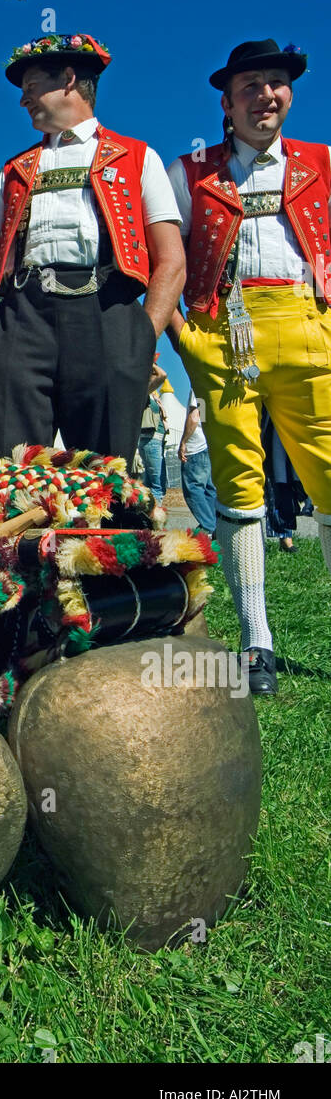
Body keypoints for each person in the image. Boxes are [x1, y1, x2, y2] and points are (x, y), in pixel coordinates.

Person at [167, 38, 331, 695]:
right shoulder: (189, 172)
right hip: (222, 330)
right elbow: (162, 260)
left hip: (305, 323)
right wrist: (186, 339)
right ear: (226, 103)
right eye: (250, 87)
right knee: (237, 488)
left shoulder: (321, 162)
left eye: (275, 84)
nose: (266, 95)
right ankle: (256, 642)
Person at [0, 32, 185, 463]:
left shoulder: (139, 157)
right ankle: (22, 534)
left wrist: (141, 336)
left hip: (109, 313)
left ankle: (100, 535)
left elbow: (171, 260)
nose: (23, 100)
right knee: (15, 466)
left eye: (30, 88)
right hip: (22, 318)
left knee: (105, 470)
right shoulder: (13, 169)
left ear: (68, 79)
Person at [261, 409, 305, 554]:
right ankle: (218, 532)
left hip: (288, 434)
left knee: (284, 485)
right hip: (268, 435)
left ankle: (286, 538)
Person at [179, 390, 217, 537]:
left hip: (195, 446)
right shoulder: (208, 386)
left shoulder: (197, 387)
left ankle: (209, 525)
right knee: (209, 489)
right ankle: (213, 527)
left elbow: (195, 418)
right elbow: (204, 415)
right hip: (207, 443)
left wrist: (183, 441)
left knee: (193, 488)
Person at [138, 361, 170, 507]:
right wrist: (149, 361)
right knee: (158, 486)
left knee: (149, 484)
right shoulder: (142, 390)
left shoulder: (151, 394)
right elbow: (162, 374)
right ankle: (154, 517)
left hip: (152, 441)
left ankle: (146, 516)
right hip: (151, 441)